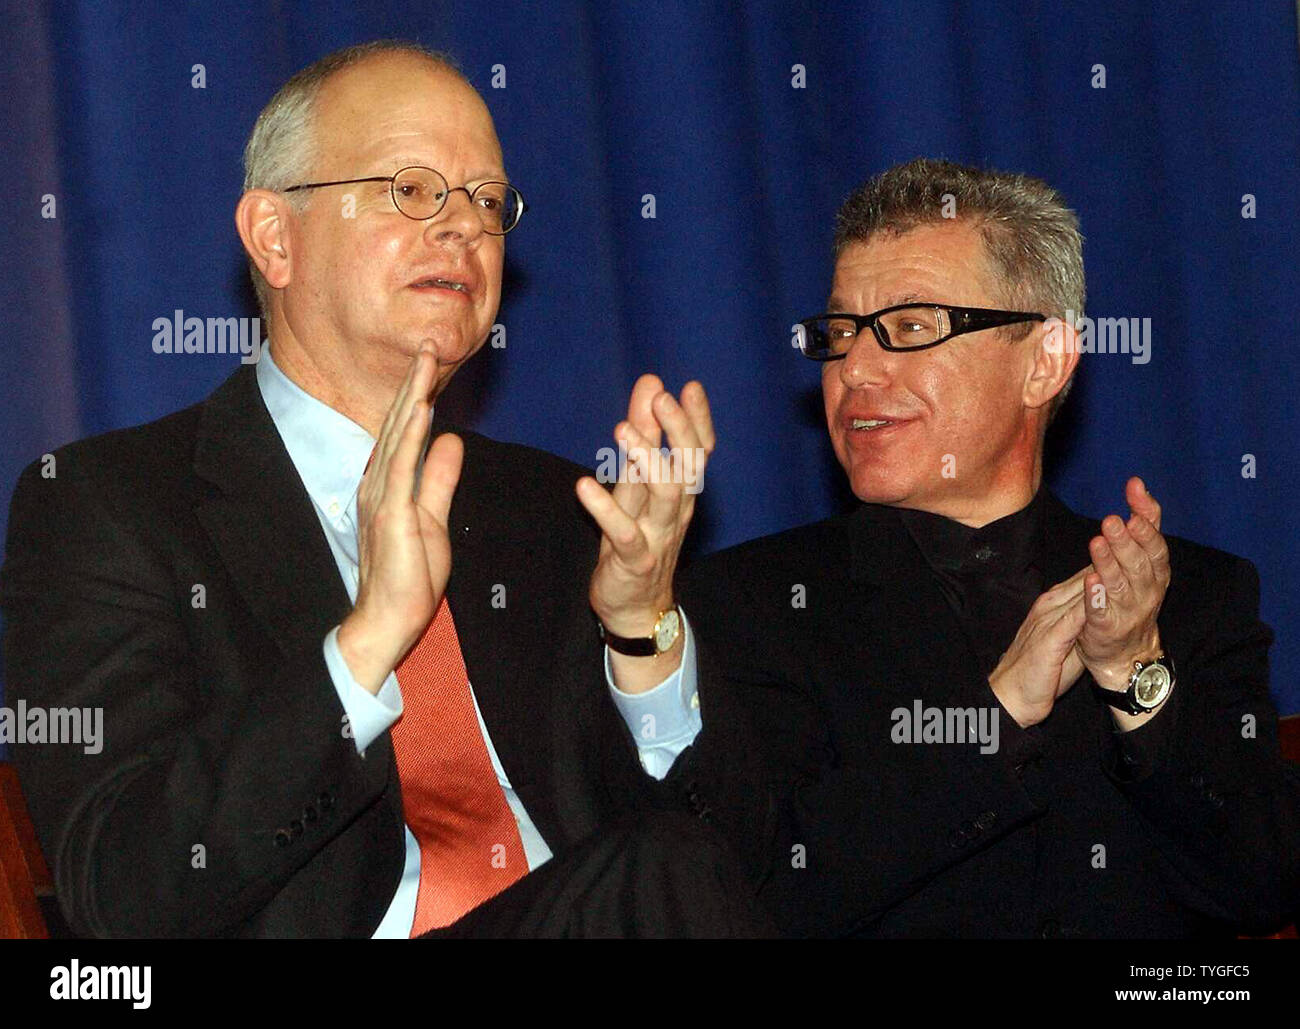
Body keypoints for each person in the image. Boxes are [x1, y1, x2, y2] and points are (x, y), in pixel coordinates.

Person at [0, 41, 768, 938]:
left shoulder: (555, 508)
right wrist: (364, 644)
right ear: (274, 238)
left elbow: (731, 856)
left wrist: (639, 628)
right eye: (411, 190)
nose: (464, 229)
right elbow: (125, 896)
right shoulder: (110, 507)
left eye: (487, 201)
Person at [680, 157, 1300, 938]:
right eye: (841, 332)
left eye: (909, 328)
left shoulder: (1194, 592)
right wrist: (995, 713)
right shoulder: (750, 603)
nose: (856, 369)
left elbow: (1263, 884)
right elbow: (762, 896)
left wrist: (1136, 674)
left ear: (1044, 361)